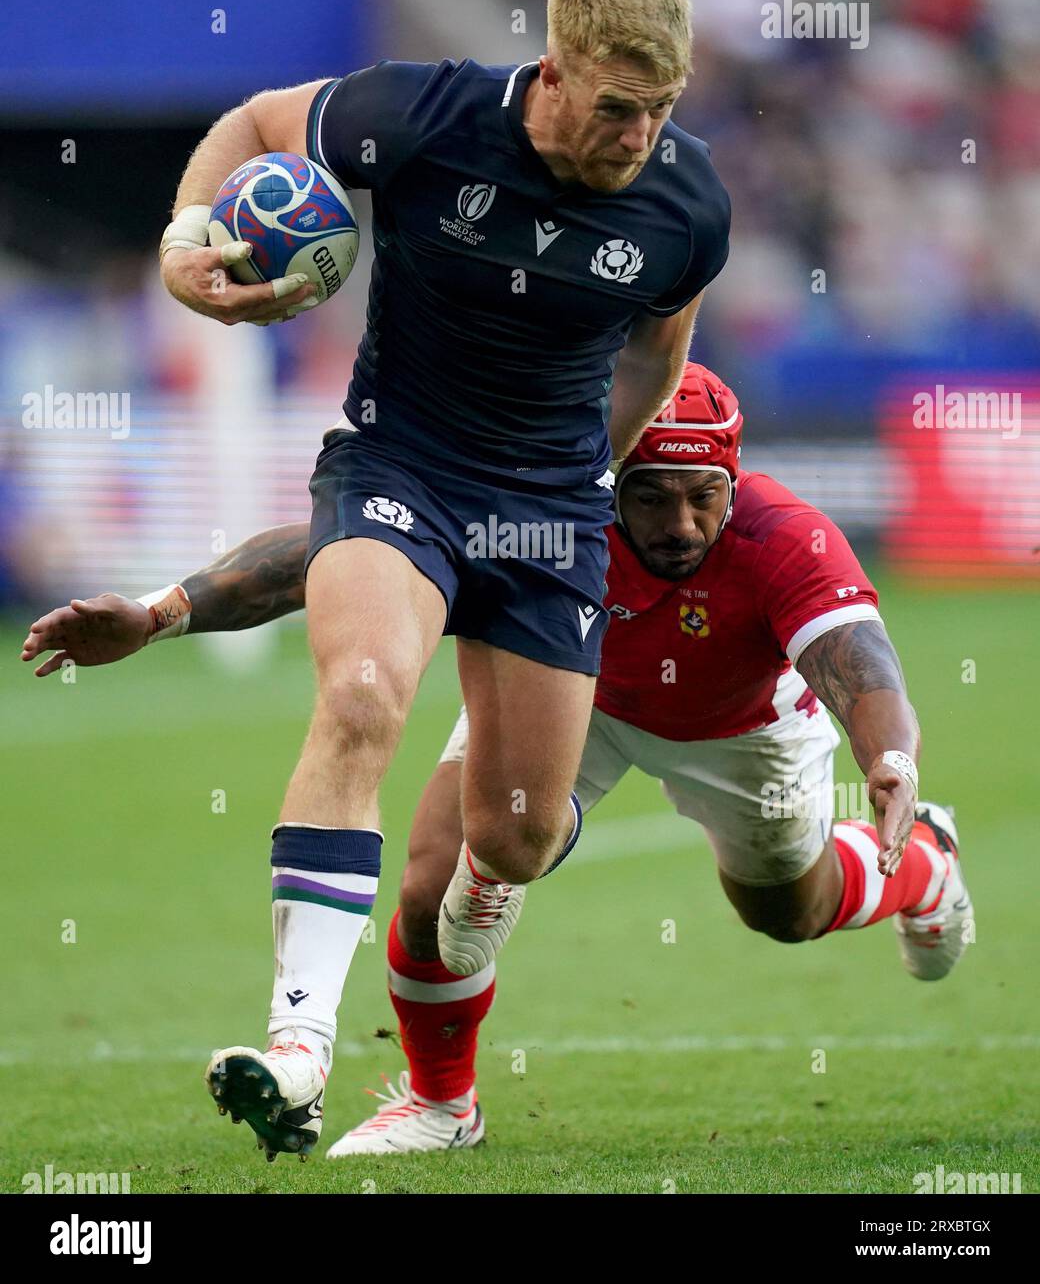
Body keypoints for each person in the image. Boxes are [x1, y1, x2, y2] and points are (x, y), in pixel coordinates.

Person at [24, 364, 973, 1157]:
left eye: (703, 497)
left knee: (787, 913)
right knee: (434, 882)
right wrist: (160, 612)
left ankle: (927, 868)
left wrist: (887, 755)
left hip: (743, 732)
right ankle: (443, 1105)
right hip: (571, 693)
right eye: (650, 495)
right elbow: (331, 553)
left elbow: (858, 659)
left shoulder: (785, 535)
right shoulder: (541, 508)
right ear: (610, 480)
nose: (680, 523)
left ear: (735, 479)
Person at [149, 0, 731, 1157]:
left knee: (512, 834)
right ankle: (298, 1047)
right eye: (616, 107)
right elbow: (254, 120)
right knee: (361, 694)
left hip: (551, 510)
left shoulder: (687, 203)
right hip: (398, 466)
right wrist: (183, 239)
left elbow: (650, 356)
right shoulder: (423, 114)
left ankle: (439, 1076)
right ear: (555, 72)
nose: (638, 134)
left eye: (661, 109)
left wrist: (584, 478)